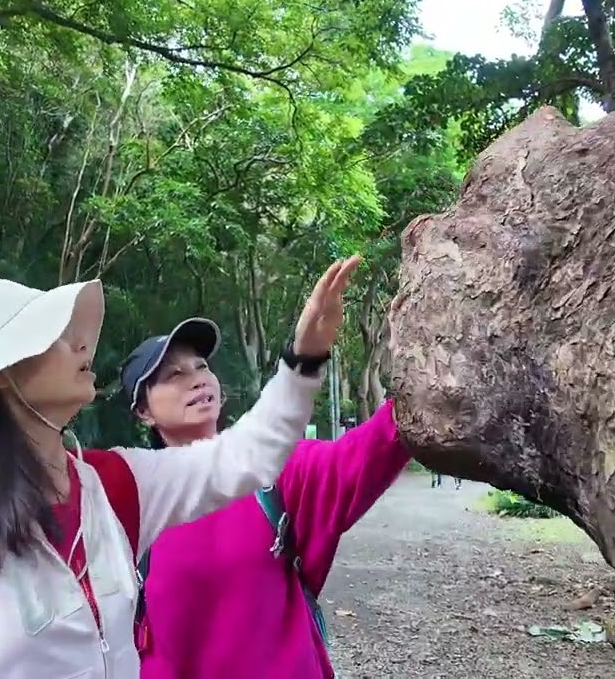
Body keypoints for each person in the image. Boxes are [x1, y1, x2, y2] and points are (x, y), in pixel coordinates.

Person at [0, 256, 360, 679]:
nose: (78, 345)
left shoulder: (114, 487)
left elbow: (247, 456)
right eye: (48, 335)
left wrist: (304, 358)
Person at [120, 277, 410, 678]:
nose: (197, 377)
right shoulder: (128, 508)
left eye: (201, 366)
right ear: (143, 412)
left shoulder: (273, 472)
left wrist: (419, 371)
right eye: (173, 375)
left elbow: (374, 448)